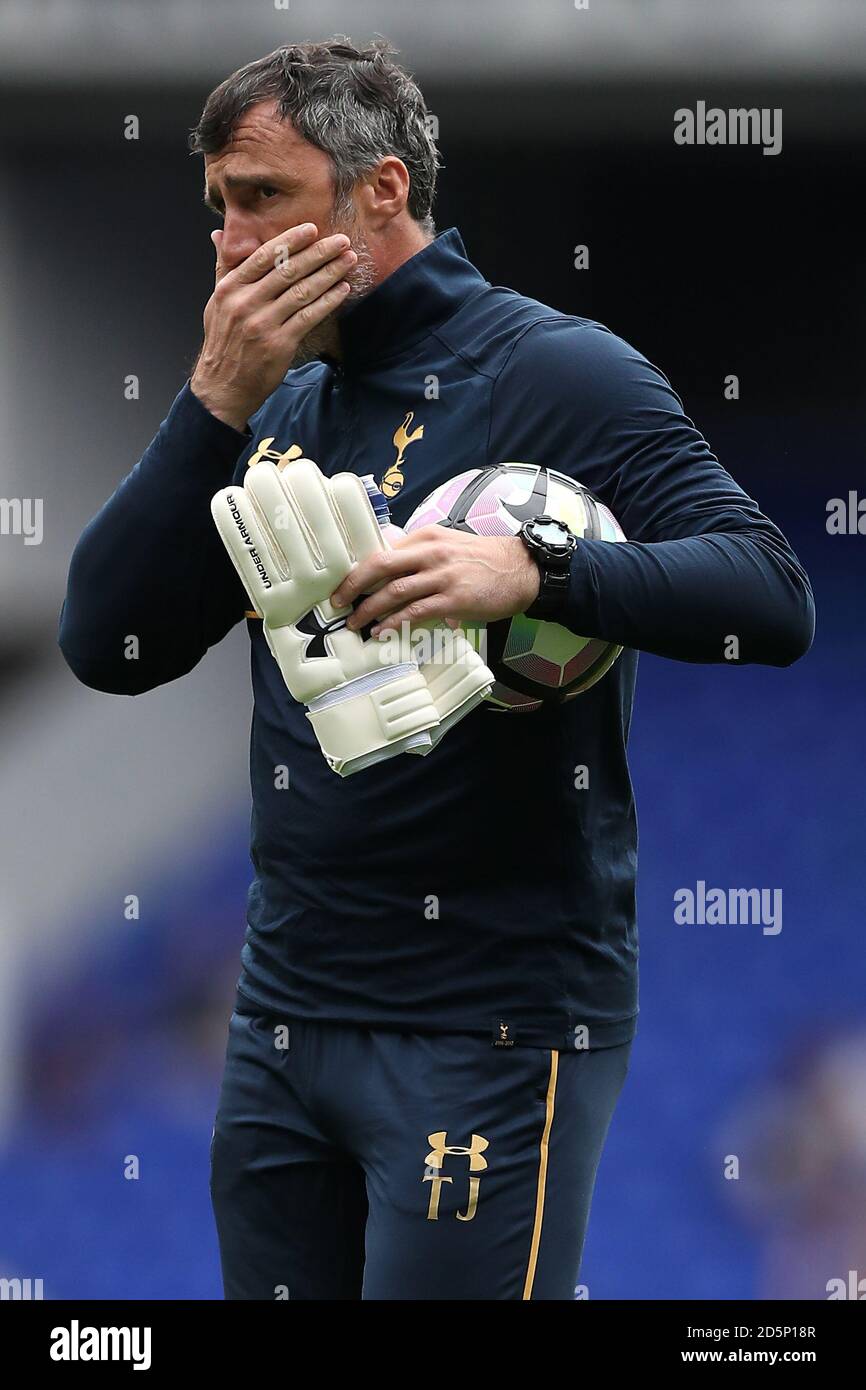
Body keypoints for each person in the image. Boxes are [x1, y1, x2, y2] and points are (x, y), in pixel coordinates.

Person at [58, 37, 815, 1300]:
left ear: (384, 192)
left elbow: (770, 594)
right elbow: (107, 644)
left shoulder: (560, 373)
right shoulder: (278, 414)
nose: (229, 242)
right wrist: (208, 402)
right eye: (216, 209)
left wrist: (540, 574)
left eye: (261, 197)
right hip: (285, 1021)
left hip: (490, 1026)